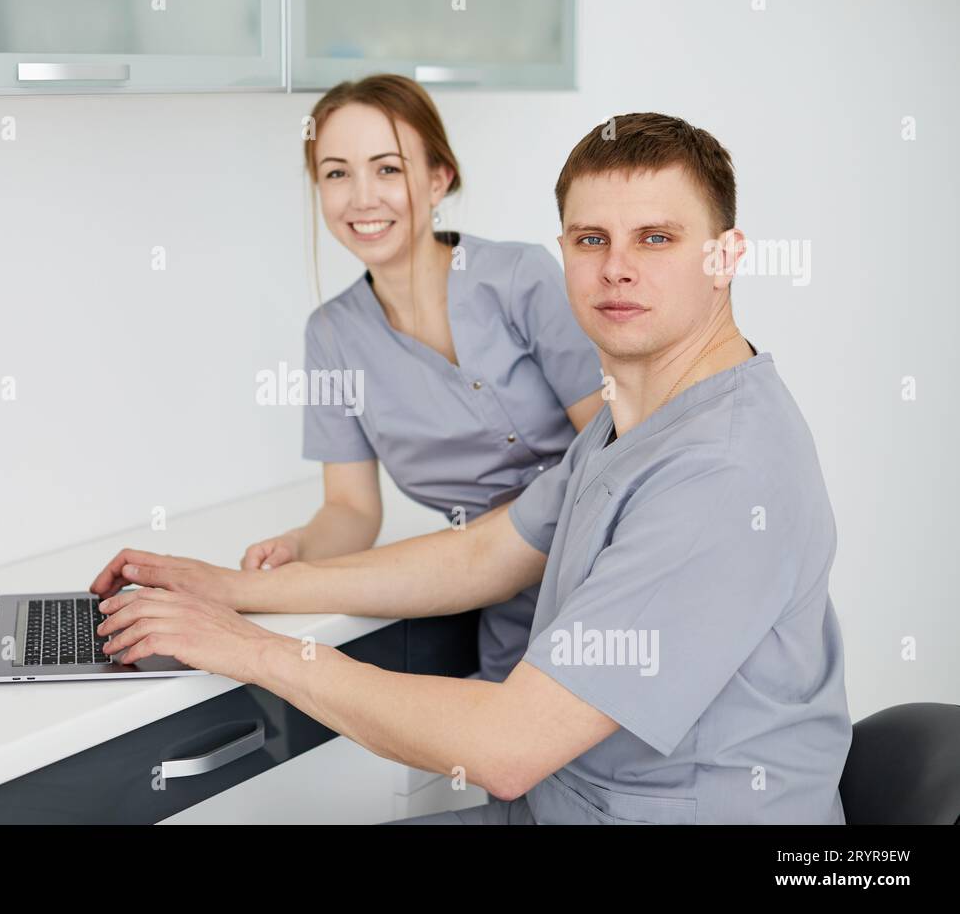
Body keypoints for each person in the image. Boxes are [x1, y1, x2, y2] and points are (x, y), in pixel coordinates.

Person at [89, 113, 853, 824]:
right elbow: (481, 554)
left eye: (656, 239)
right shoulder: (642, 417)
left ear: (727, 256)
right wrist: (235, 590)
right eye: (590, 239)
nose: (616, 269)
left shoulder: (720, 470)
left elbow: (508, 748)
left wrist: (246, 647)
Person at [243, 73, 603, 684]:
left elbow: (615, 445)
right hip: (503, 601)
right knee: (520, 766)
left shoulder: (521, 277)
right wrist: (301, 548)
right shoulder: (331, 336)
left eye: (387, 169)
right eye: (336, 173)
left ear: (438, 178)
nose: (361, 198)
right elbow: (352, 509)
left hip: (607, 569)